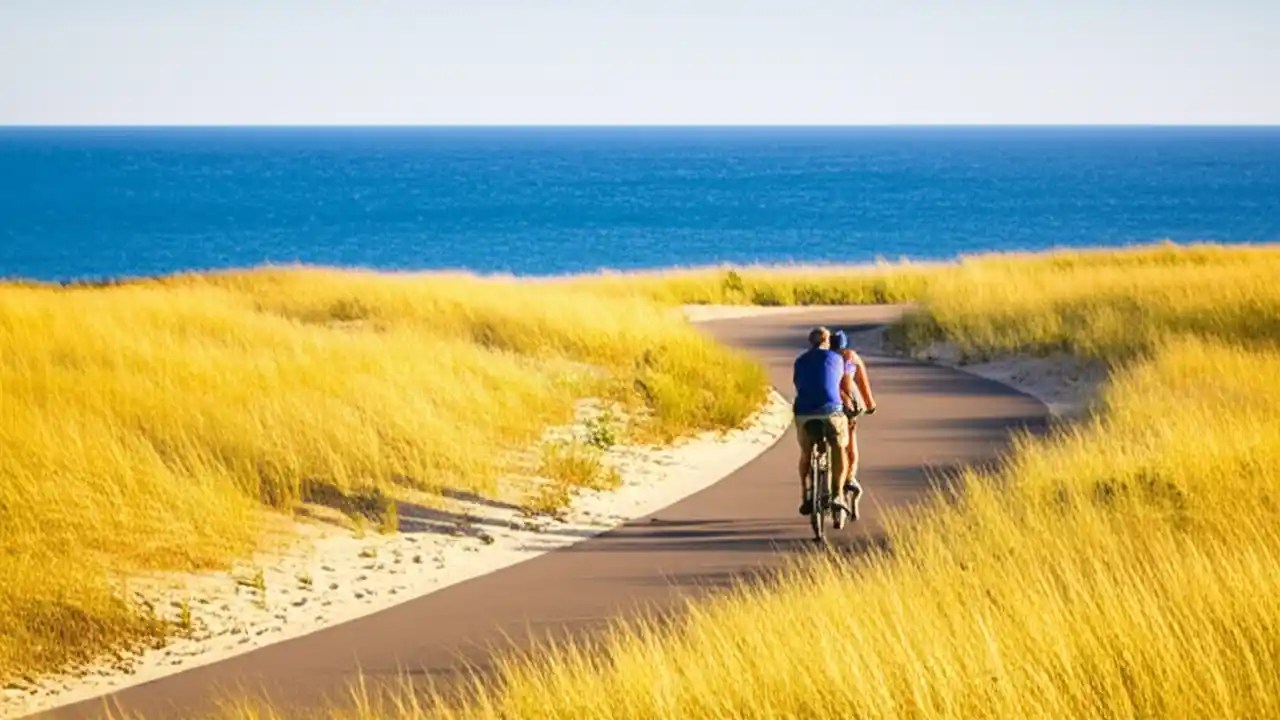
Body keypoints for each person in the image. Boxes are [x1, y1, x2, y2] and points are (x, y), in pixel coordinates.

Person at [792, 327, 849, 516]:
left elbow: (798, 384)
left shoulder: (800, 361)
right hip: (831, 410)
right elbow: (841, 384)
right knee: (840, 446)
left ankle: (805, 493)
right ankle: (838, 494)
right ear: (827, 341)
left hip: (804, 412)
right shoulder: (837, 359)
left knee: (805, 453)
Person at [830, 330, 877, 520]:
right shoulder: (851, 357)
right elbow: (863, 384)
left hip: (826, 404)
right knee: (850, 439)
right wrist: (870, 404)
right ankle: (849, 477)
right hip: (847, 403)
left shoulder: (827, 358)